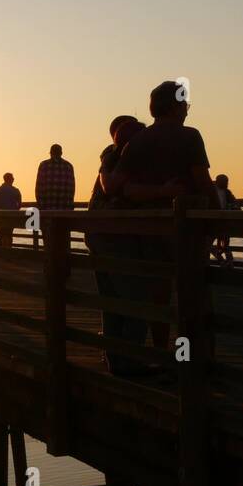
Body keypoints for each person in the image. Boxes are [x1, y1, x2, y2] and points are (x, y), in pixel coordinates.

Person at [110, 80, 218, 353]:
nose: (187, 111)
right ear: (175, 106)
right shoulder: (190, 136)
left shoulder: (137, 141)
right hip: (187, 228)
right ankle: (193, 354)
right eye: (185, 104)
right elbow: (203, 181)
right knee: (192, 292)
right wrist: (219, 216)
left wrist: (151, 193)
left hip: (150, 228)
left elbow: (119, 186)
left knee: (158, 294)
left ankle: (162, 352)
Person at [88, 115, 157, 376]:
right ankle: (129, 361)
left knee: (112, 299)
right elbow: (121, 190)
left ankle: (115, 358)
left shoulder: (112, 155)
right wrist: (167, 191)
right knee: (136, 299)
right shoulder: (119, 156)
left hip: (99, 233)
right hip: (114, 236)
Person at [34, 144, 76, 211]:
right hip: (64, 208)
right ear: (61, 153)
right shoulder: (68, 166)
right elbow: (71, 188)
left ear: (50, 153)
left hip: (47, 207)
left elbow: (39, 187)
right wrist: (69, 205)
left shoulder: (44, 165)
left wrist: (40, 204)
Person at [211, 174, 238, 265]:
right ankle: (221, 256)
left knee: (225, 239)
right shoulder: (211, 191)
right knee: (210, 241)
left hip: (224, 220)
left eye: (227, 182)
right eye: (225, 182)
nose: (227, 184)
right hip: (211, 220)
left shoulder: (227, 192)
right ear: (218, 181)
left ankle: (224, 258)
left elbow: (235, 203)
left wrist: (235, 207)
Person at [0, 172, 22, 246]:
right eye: (12, 178)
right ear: (10, 179)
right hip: (11, 216)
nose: (13, 179)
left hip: (0, 216)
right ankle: (8, 250)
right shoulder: (15, 191)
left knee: (0, 233)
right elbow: (19, 204)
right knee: (9, 234)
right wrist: (16, 211)